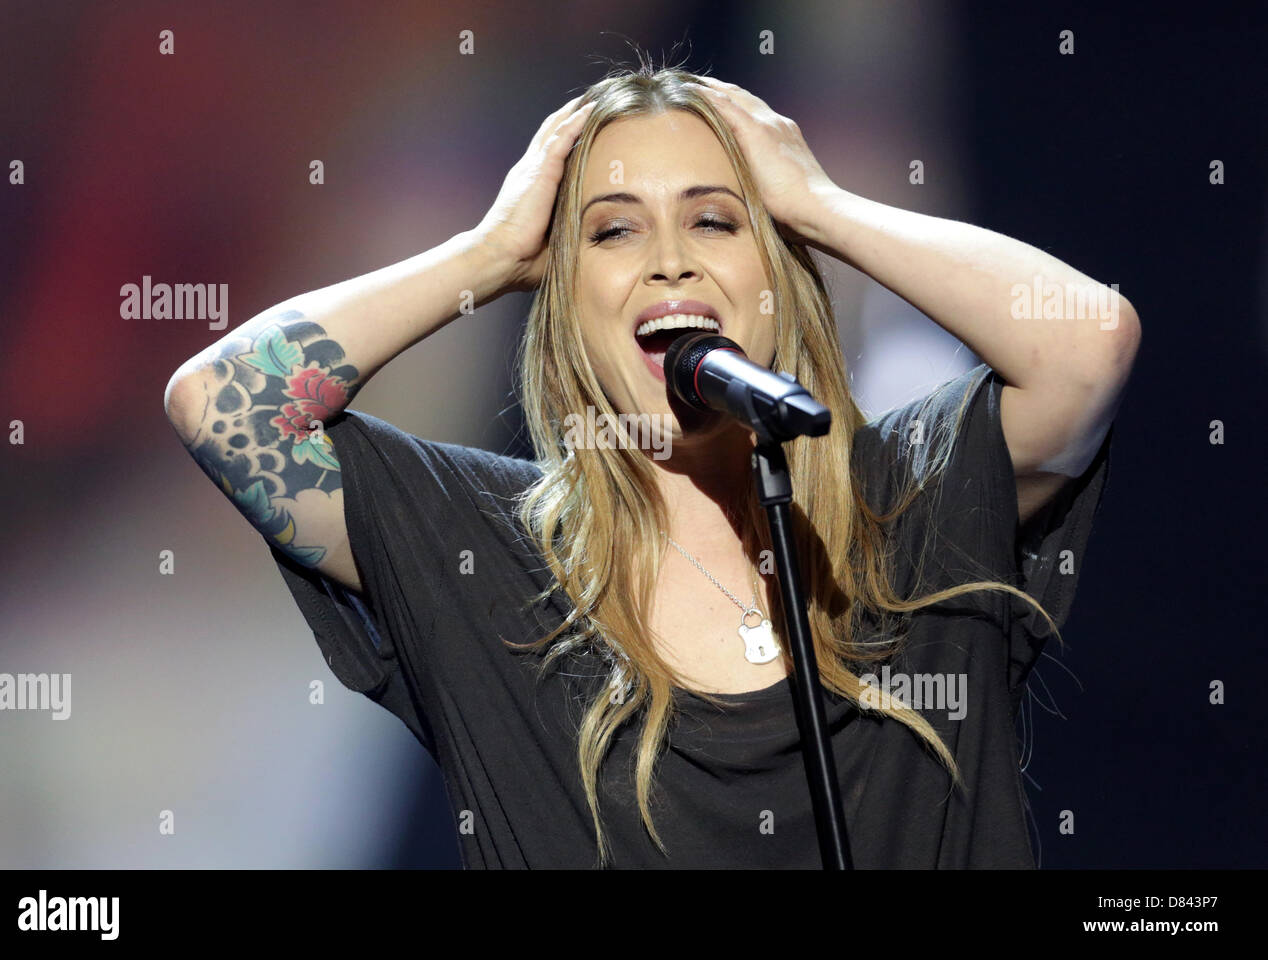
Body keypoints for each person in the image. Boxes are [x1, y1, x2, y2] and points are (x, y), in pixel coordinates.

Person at [163, 62, 1139, 869]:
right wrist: (487, 252)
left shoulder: (909, 503)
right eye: (613, 229)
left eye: (715, 220)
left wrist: (820, 205)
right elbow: (224, 401)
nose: (669, 260)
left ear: (778, 279)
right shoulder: (485, 556)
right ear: (563, 302)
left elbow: (1086, 344)